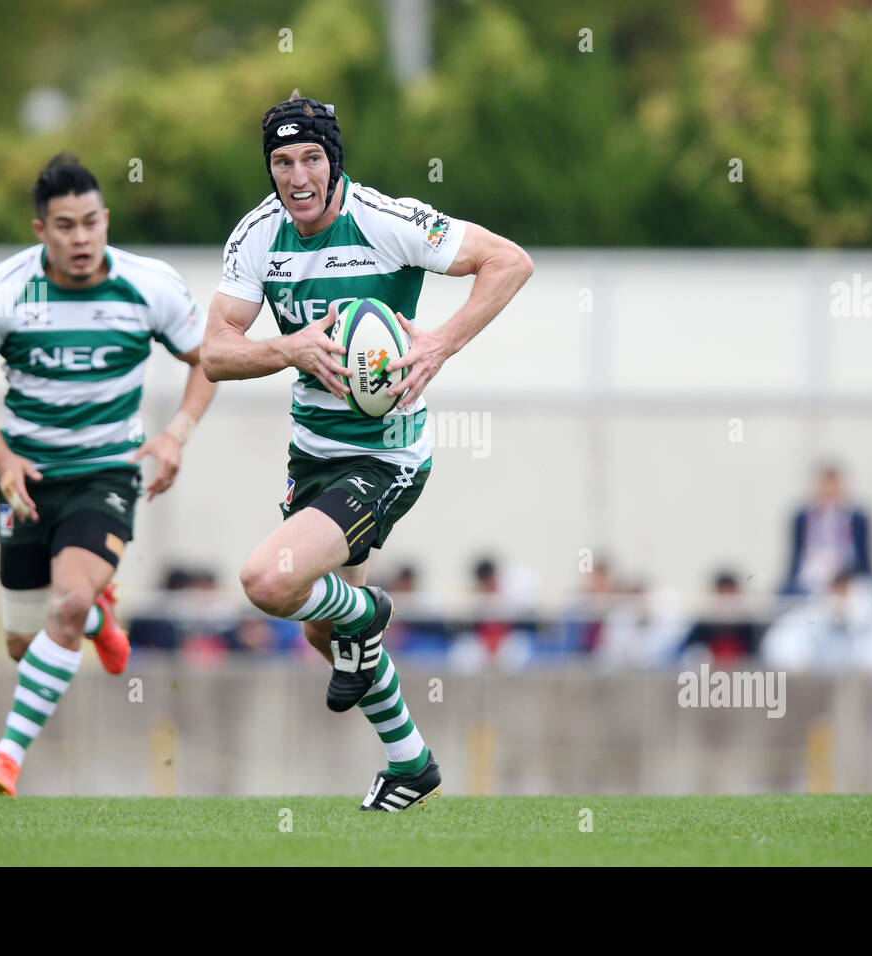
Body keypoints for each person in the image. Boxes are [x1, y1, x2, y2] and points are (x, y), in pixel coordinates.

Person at [201, 90, 533, 810]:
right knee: (324, 628)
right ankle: (410, 761)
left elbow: (509, 262)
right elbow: (214, 354)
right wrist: (285, 347)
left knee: (267, 582)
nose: (296, 177)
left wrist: (440, 343)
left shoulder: (387, 221)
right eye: (282, 162)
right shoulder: (258, 236)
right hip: (311, 456)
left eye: (310, 158)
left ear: (334, 160)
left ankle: (366, 612)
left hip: (386, 458)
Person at [0, 154, 217, 795]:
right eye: (65, 226)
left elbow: (210, 361)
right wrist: (3, 459)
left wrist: (176, 434)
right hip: (28, 480)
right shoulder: (6, 291)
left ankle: (5, 759)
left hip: (107, 473)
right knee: (25, 644)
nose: (81, 238)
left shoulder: (149, 286)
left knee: (64, 606)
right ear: (41, 230)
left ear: (106, 220)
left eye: (91, 222)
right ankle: (101, 622)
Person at [781, 463, 872, 595]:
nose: (830, 490)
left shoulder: (857, 518)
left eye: (834, 485)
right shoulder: (802, 517)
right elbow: (795, 557)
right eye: (826, 485)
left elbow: (864, 557)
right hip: (812, 576)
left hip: (847, 575)